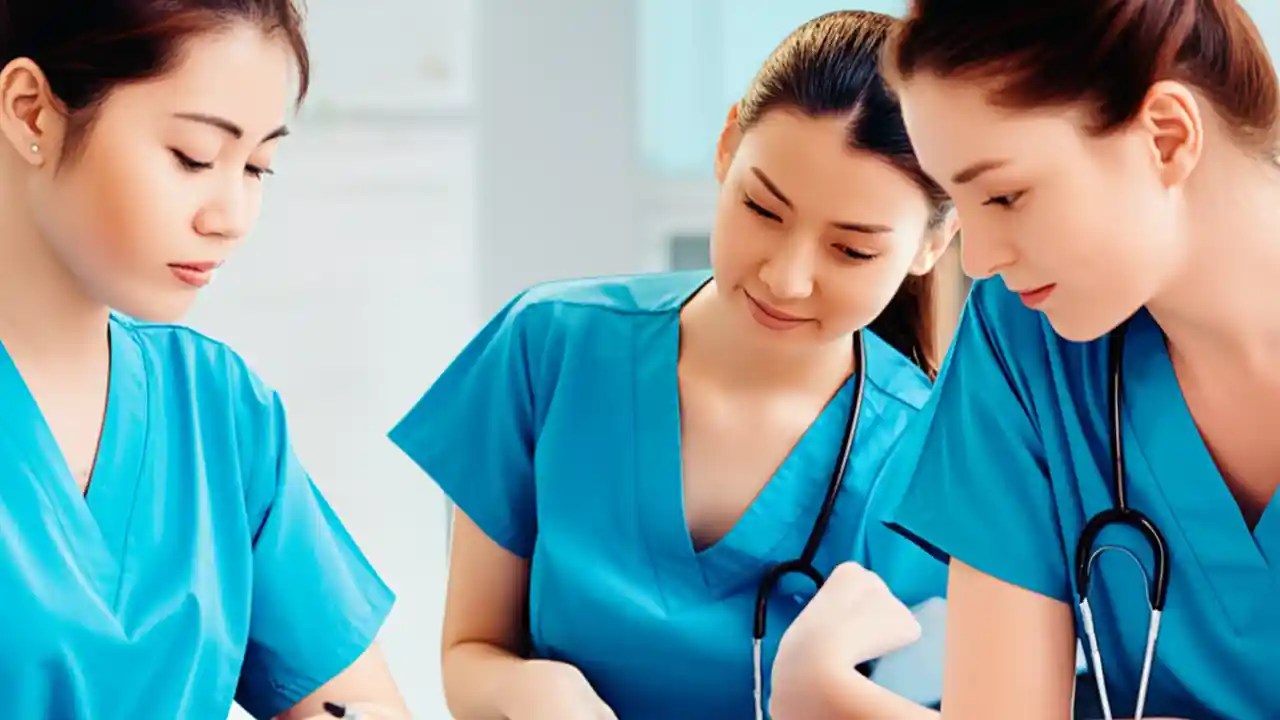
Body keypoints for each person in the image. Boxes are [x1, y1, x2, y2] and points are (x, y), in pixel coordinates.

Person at [389, 10, 957, 720]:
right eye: (762, 209)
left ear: (933, 244)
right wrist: (529, 688)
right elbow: (471, 650)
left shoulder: (931, 460)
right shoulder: (548, 348)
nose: (786, 277)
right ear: (726, 147)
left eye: (851, 250)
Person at [817, 0, 1280, 718]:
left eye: (1005, 196)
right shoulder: (1025, 338)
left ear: (1164, 137)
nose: (980, 257)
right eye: (961, 205)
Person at [0, 2, 407, 718]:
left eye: (256, 167)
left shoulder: (216, 407)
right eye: (193, 157)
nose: (231, 216)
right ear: (32, 112)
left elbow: (353, 703)